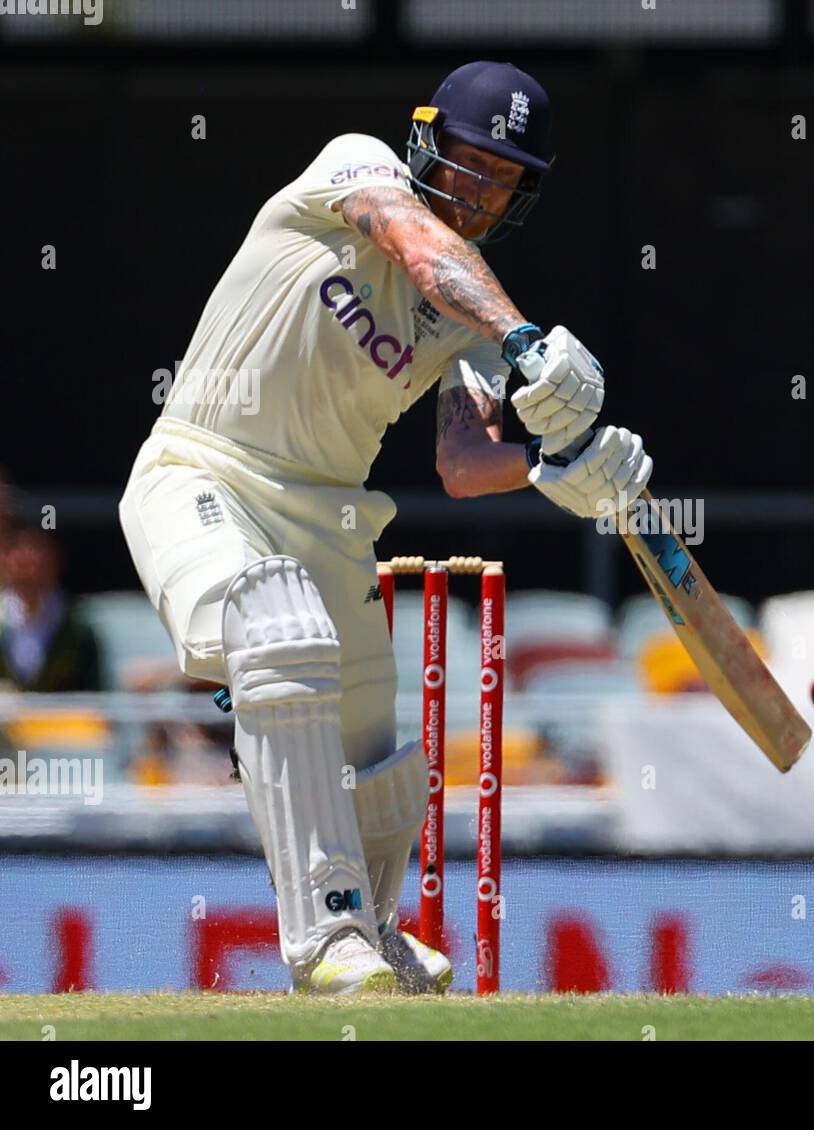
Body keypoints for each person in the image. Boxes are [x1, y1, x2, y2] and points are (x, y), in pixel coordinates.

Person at [118, 61, 652, 995]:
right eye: (471, 161)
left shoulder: (468, 318)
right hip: (203, 471)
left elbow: (462, 461)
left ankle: (372, 929)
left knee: (376, 744)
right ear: (427, 140)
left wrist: (556, 469)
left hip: (328, 520)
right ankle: (324, 938)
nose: (481, 190)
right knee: (278, 627)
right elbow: (412, 241)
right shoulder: (357, 170)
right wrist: (527, 337)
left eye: (506, 177)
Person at [0, 526, 103, 693]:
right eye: (20, 565)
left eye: (36, 552)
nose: (28, 571)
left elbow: (92, 696)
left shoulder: (78, 628)